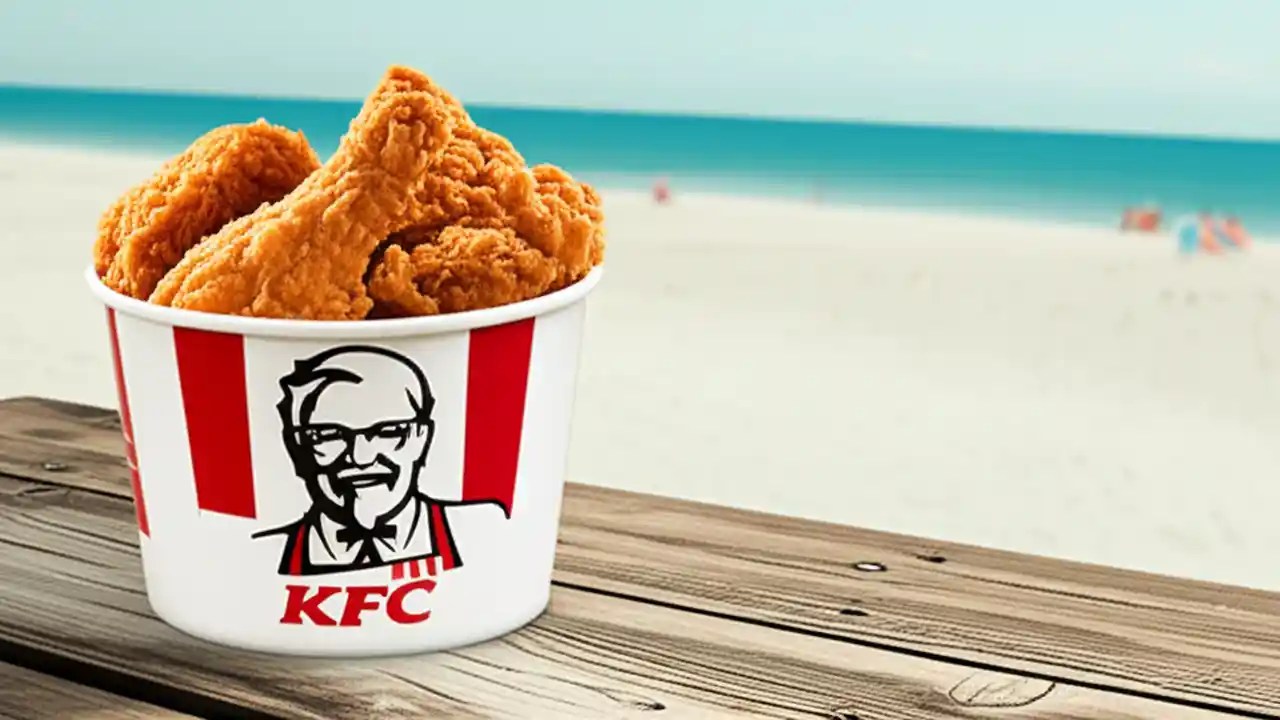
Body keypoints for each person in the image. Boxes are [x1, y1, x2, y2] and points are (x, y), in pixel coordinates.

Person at [253, 346, 491, 576]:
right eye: (327, 434)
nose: (361, 458)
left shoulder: (483, 527)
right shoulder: (259, 552)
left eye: (389, 431)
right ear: (296, 448)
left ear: (422, 438)